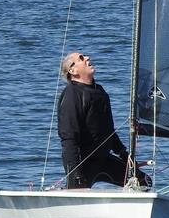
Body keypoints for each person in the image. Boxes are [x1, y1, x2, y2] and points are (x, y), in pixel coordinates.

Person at [57, 51, 150, 190]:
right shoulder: (72, 94)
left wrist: (122, 153)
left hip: (103, 159)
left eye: (85, 55)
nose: (87, 58)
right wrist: (75, 172)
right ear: (73, 70)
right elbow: (68, 137)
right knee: (78, 192)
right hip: (82, 163)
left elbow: (108, 130)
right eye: (81, 58)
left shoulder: (99, 91)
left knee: (143, 182)